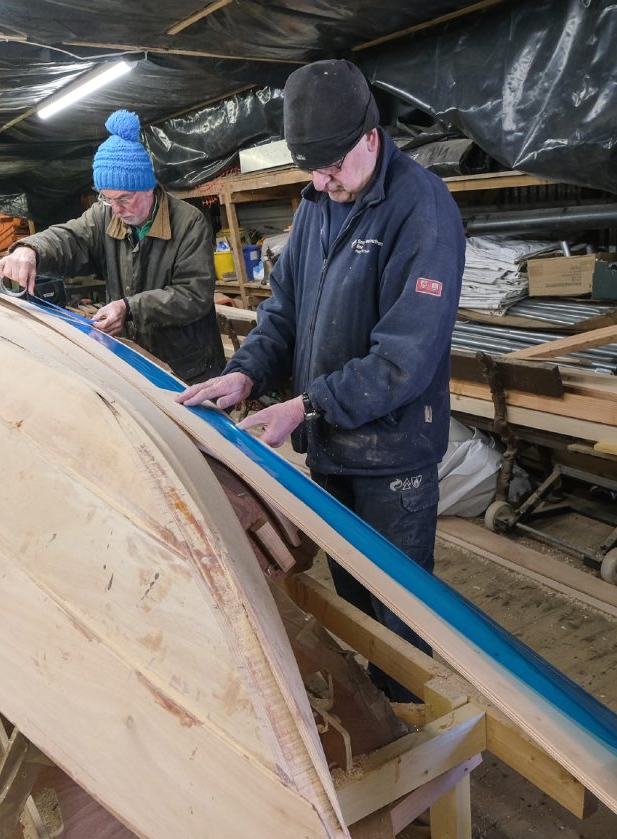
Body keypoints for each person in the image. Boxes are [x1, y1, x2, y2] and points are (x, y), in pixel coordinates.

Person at [176, 59, 464, 700]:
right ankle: (381, 713)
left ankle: (415, 736)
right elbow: (283, 311)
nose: (321, 181)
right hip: (331, 442)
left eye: (332, 166)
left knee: (402, 617)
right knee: (356, 601)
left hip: (393, 457)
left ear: (370, 136)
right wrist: (246, 374)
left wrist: (304, 405)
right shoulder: (317, 205)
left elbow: (403, 361)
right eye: (311, 167)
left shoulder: (423, 211)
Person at [0, 109, 223, 384]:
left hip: (187, 366)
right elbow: (70, 237)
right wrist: (30, 249)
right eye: (106, 198)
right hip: (133, 358)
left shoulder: (189, 223)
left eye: (124, 198)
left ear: (148, 188)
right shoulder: (104, 215)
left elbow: (194, 295)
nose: (116, 209)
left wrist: (130, 308)